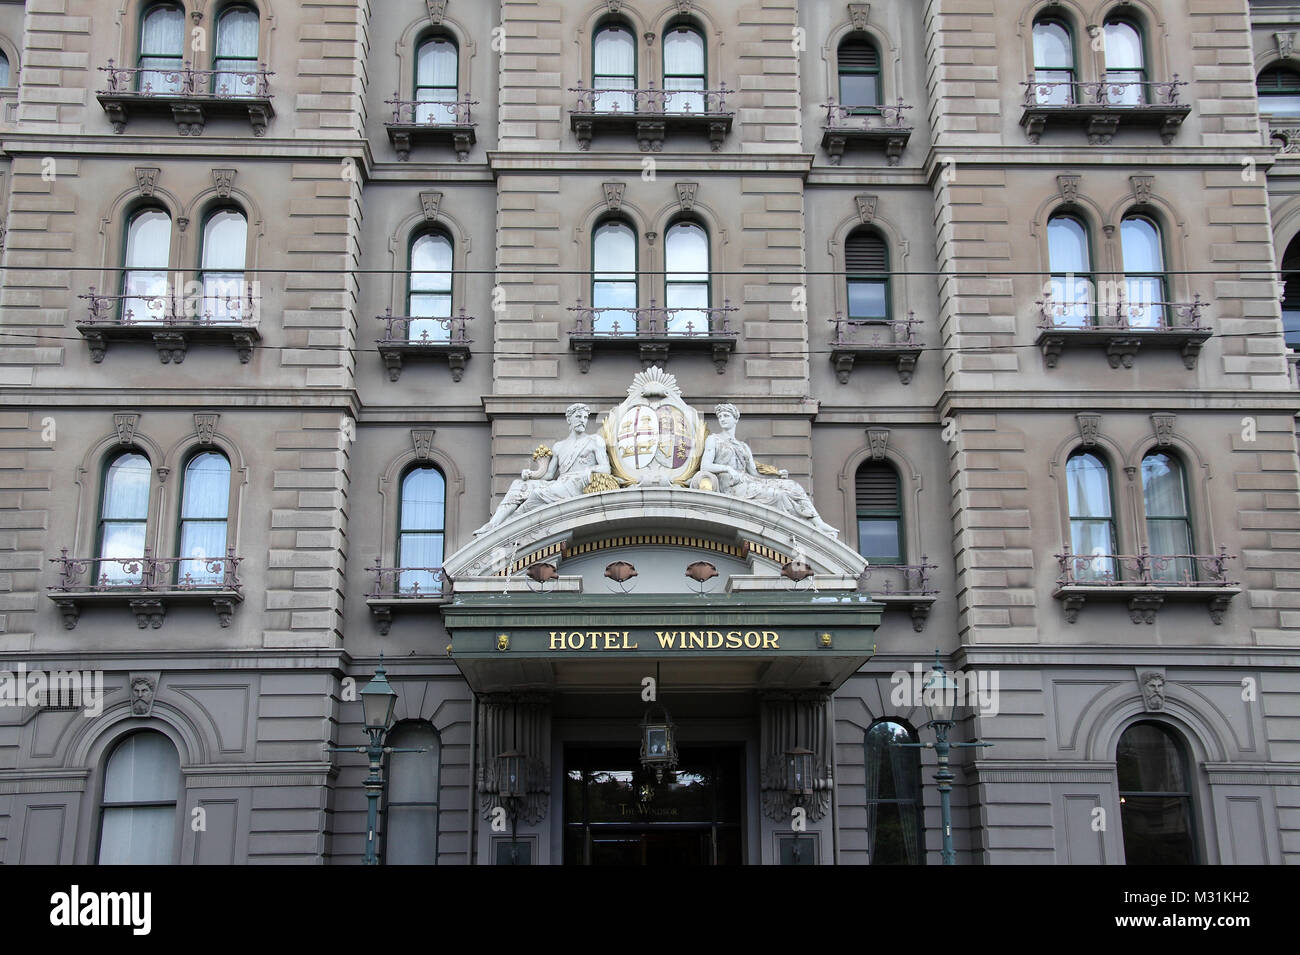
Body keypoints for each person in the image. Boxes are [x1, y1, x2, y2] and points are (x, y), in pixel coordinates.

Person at [697, 403, 840, 538]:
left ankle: (817, 523)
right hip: (733, 486)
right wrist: (726, 468)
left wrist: (776, 476)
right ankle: (803, 529)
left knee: (792, 486)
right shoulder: (713, 439)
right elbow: (705, 466)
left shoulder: (743, 446)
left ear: (735, 419)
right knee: (779, 496)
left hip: (748, 481)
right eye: (720, 416)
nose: (722, 419)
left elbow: (753, 472)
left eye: (726, 416)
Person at [473, 403, 611, 535]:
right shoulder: (559, 446)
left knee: (537, 494)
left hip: (577, 483)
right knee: (519, 486)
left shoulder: (594, 440)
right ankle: (493, 525)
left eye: (585, 417)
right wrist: (531, 475)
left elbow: (606, 468)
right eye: (578, 417)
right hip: (560, 482)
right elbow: (549, 475)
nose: (583, 421)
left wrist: (588, 471)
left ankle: (509, 525)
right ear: (569, 419)